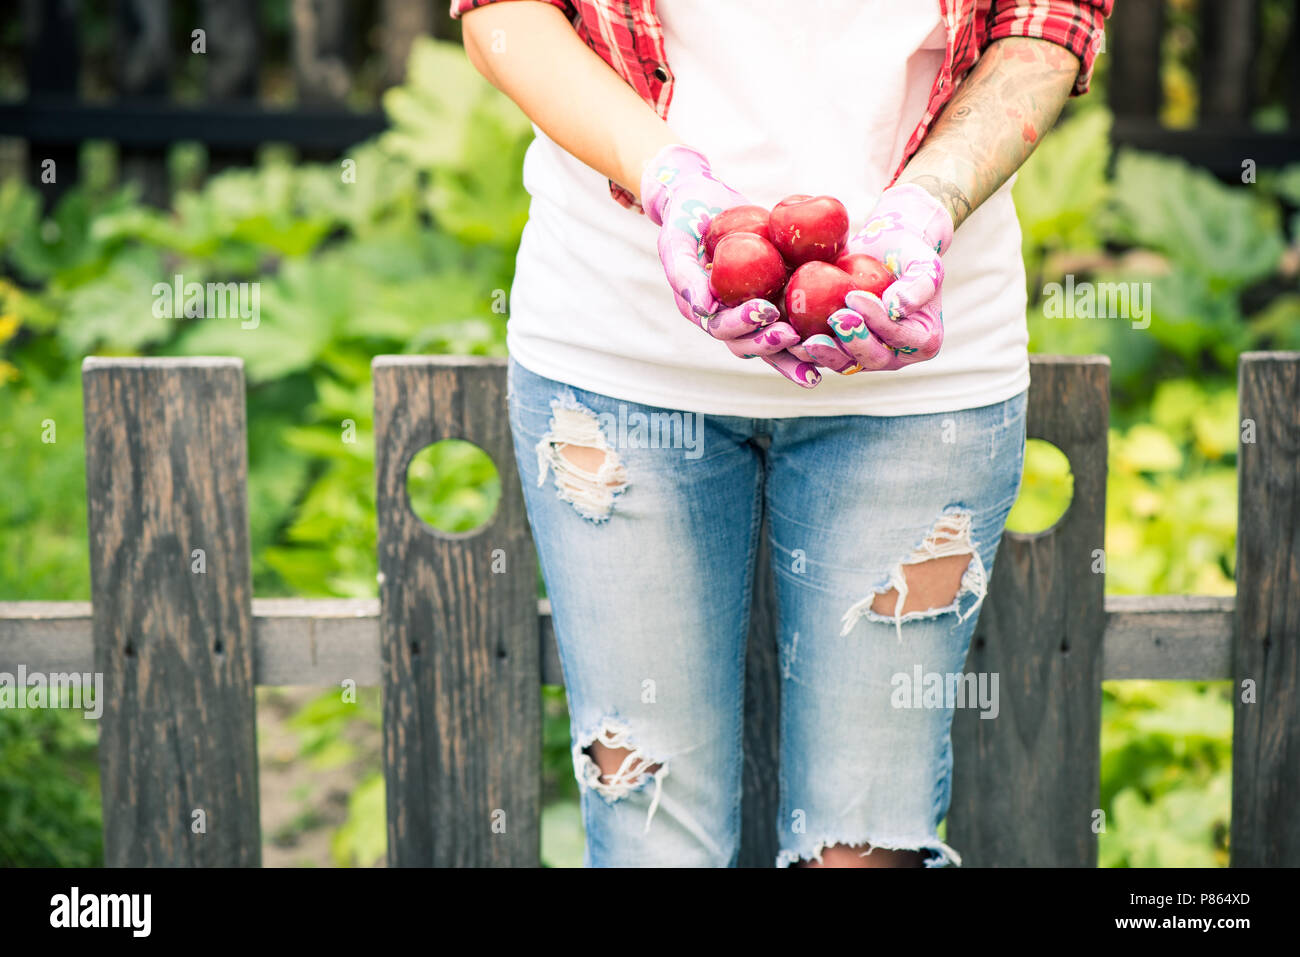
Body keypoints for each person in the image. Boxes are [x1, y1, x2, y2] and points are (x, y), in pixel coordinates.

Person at [452, 0, 1111, 867]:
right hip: (617, 356)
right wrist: (667, 178)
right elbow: (502, 16)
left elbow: (1049, 23)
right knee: (653, 841)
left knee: (867, 848)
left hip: (917, 373)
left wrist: (928, 204)